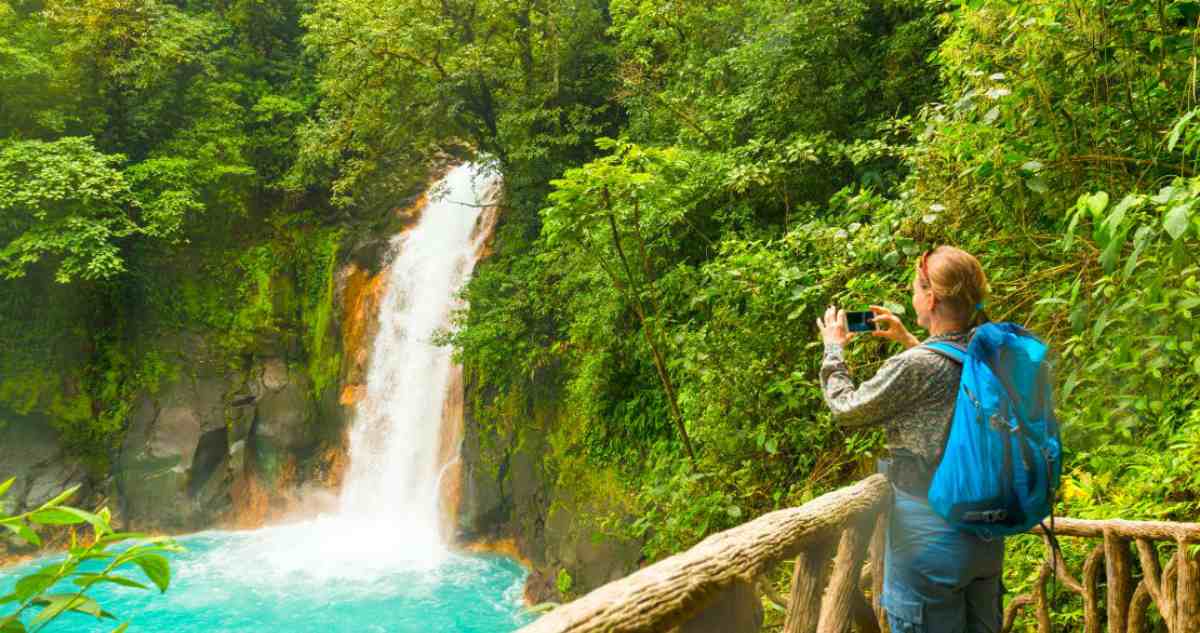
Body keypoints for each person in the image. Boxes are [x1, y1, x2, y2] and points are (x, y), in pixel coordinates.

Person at [815, 245, 1001, 633]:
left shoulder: (917, 367)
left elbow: (847, 408)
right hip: (984, 532)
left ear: (931, 298)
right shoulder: (986, 350)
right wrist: (909, 339)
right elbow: (948, 380)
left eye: (916, 290)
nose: (912, 297)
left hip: (929, 533)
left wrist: (833, 350)